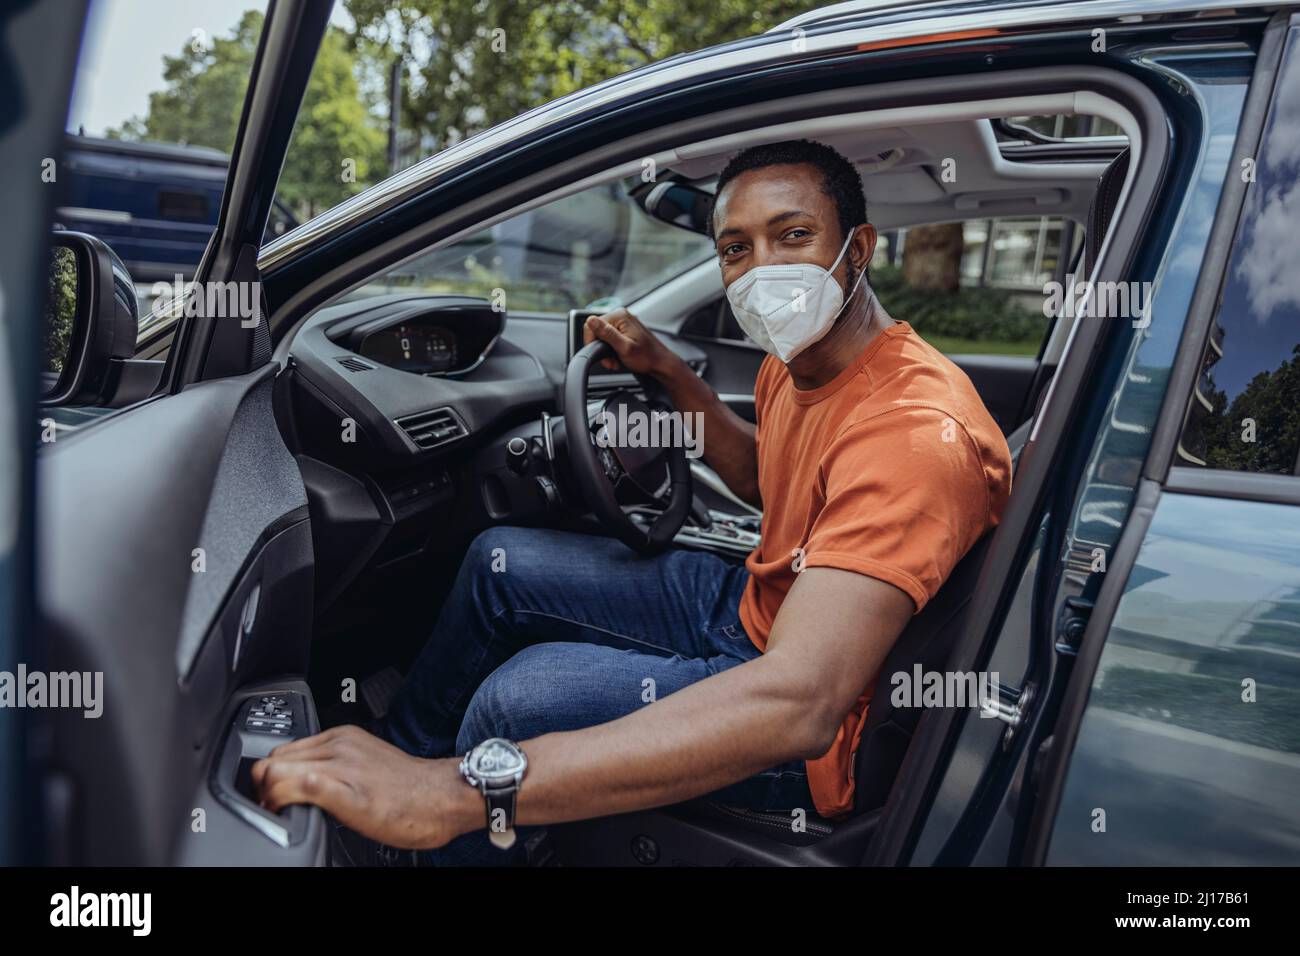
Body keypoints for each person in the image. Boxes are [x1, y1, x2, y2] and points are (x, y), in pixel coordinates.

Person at [252, 139, 1012, 865]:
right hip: (762, 606)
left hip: (816, 734)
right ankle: (407, 752)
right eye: (737, 249)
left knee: (516, 699)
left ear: (860, 247)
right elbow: (759, 475)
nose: (762, 270)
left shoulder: (914, 433)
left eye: (794, 235)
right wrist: (667, 372)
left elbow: (799, 704)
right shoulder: (805, 360)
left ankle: (435, 836)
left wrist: (441, 794)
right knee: (498, 564)